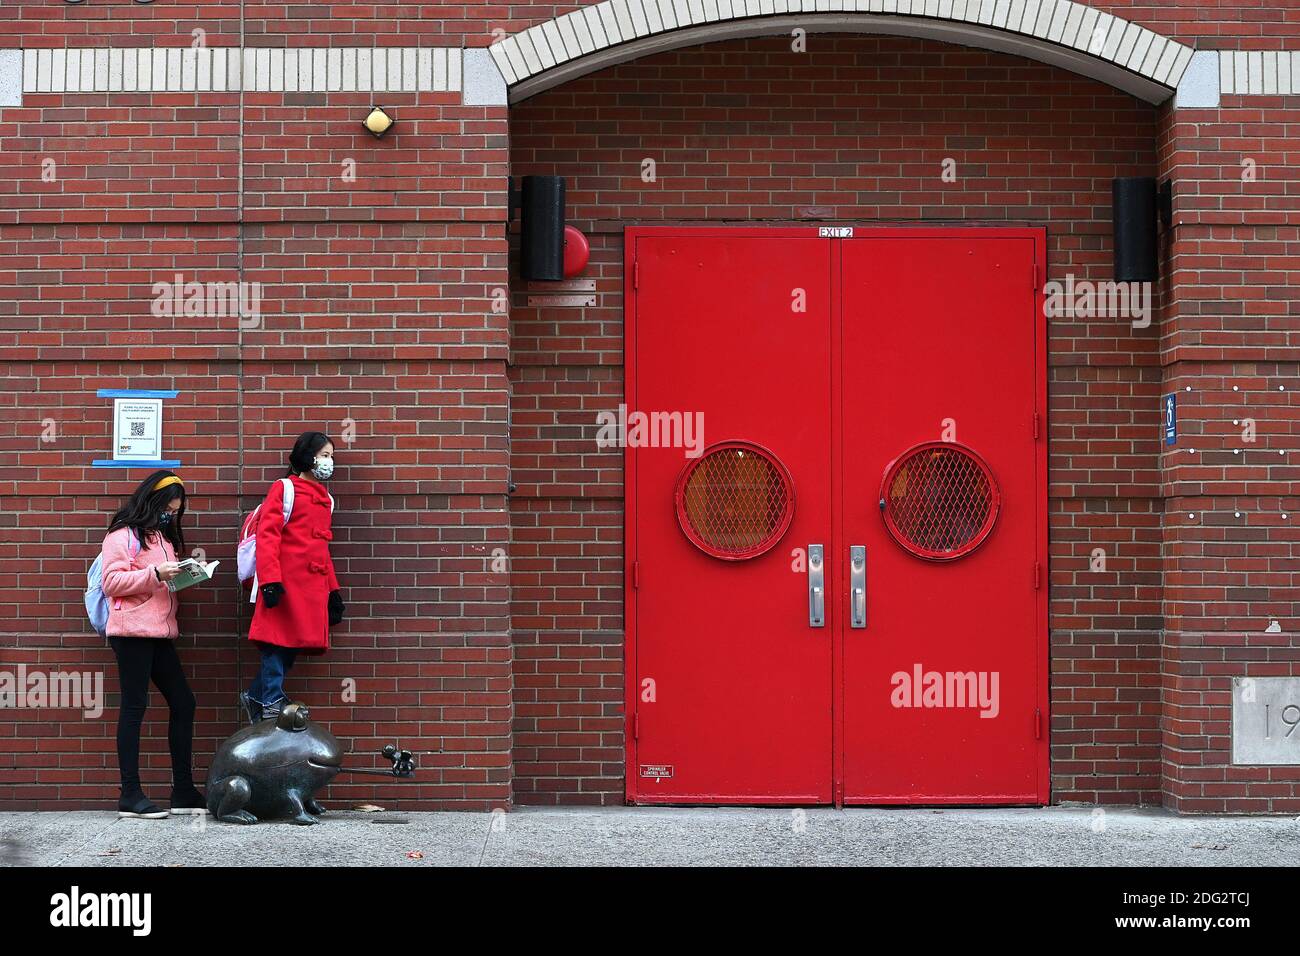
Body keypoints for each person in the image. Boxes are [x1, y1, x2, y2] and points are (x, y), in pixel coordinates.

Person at [100, 470, 207, 819]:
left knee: (184, 703)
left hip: (159, 632)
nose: (170, 516)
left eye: (175, 512)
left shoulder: (162, 538)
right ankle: (130, 794)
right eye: (167, 510)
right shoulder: (122, 534)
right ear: (153, 502)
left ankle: (184, 791)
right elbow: (112, 582)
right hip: (131, 633)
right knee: (134, 707)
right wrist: (156, 575)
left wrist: (186, 574)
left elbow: (158, 582)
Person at [241, 432, 345, 723]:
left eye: (331, 456)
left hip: (310, 589)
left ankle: (256, 696)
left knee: (291, 647)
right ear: (307, 456)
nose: (329, 462)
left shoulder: (327, 499)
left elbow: (322, 549)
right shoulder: (284, 488)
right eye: (324, 455)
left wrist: (332, 592)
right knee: (276, 644)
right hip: (284, 585)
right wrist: (271, 580)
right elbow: (268, 536)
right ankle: (270, 701)